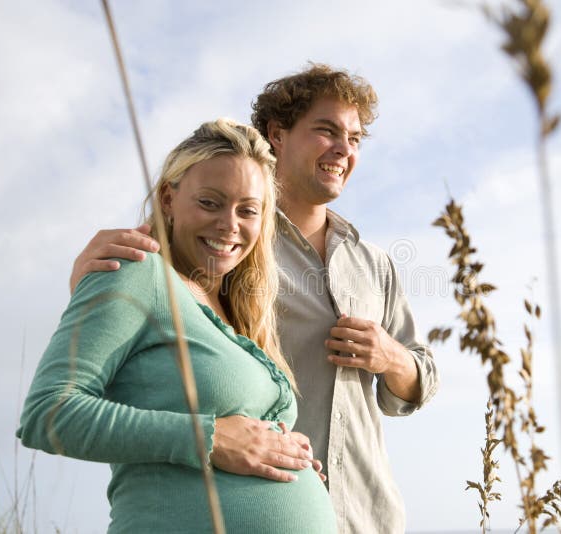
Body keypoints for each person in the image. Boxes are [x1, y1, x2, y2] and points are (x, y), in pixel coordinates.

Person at [69, 64, 439, 534]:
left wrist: (391, 358)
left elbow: (422, 378)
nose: (344, 149)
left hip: (368, 516)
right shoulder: (227, 241)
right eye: (326, 131)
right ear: (277, 135)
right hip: (238, 508)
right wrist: (88, 275)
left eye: (356, 138)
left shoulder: (374, 263)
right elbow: (146, 300)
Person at [18, 118, 338, 533]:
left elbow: (238, 432)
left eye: (248, 210)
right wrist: (211, 437)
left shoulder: (238, 313)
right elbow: (49, 414)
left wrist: (280, 448)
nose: (229, 224)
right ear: (169, 198)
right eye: (210, 202)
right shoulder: (137, 273)